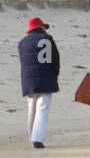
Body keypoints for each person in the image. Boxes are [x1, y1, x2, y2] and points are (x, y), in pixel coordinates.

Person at [17, 17, 60, 149]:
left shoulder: (22, 42)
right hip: (45, 78)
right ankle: (37, 138)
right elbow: (52, 60)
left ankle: (32, 136)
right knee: (42, 108)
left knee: (31, 109)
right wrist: (55, 73)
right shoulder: (46, 40)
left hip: (28, 79)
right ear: (40, 27)